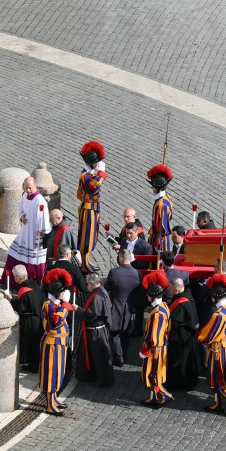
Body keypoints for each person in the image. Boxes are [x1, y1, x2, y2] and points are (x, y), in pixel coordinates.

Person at [199, 274, 226, 414]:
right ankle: (219, 403)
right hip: (223, 345)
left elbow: (207, 335)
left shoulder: (218, 314)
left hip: (217, 349)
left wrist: (199, 337)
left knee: (218, 377)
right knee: (219, 377)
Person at [37, 269, 75, 416]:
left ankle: (54, 398)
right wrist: (65, 304)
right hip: (52, 344)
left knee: (58, 373)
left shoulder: (55, 304)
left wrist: (63, 304)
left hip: (59, 343)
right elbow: (55, 322)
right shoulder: (49, 305)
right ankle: (49, 404)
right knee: (51, 373)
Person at [2, 177, 51, 286]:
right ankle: (8, 281)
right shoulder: (24, 195)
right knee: (13, 253)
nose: (28, 190)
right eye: (26, 187)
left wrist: (42, 234)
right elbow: (20, 207)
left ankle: (36, 286)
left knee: (34, 261)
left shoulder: (40, 201)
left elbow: (43, 217)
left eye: (30, 188)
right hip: (24, 233)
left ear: (35, 185)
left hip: (34, 235)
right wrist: (21, 216)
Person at [139, 270, 173, 405]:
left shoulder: (157, 313)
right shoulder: (164, 306)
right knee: (155, 374)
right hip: (160, 346)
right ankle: (155, 397)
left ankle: (163, 396)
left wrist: (144, 350)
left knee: (153, 375)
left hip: (155, 349)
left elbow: (152, 336)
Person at [76, 273, 114, 386]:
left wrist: (77, 309)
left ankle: (102, 380)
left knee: (98, 357)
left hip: (95, 331)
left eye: (87, 283)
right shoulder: (101, 291)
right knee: (99, 356)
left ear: (92, 284)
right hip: (99, 330)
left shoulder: (97, 297)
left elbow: (90, 315)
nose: (86, 285)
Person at [165, 278, 202, 390]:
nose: (169, 289)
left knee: (178, 360)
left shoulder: (180, 304)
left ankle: (177, 383)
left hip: (181, 338)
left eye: (170, 287)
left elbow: (176, 322)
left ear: (176, 289)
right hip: (188, 336)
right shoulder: (187, 296)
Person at [104, 250, 140, 367]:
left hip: (116, 306)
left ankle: (118, 357)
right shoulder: (138, 273)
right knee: (125, 333)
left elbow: (107, 287)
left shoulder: (114, 272)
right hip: (129, 308)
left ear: (120, 258)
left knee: (114, 333)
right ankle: (124, 356)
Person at [76, 141, 106, 275]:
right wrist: (101, 173)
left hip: (92, 207)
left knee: (92, 235)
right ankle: (84, 262)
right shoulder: (86, 175)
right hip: (88, 209)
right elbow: (93, 187)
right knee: (86, 236)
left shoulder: (89, 173)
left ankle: (87, 260)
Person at [7, 265, 43, 373]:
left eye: (14, 276)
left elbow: (21, 308)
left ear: (18, 277)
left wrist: (11, 300)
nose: (14, 278)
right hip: (39, 318)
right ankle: (34, 365)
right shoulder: (35, 285)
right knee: (35, 343)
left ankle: (30, 365)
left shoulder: (23, 290)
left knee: (28, 342)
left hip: (29, 320)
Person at [146, 164, 174, 252]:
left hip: (159, 240)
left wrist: (159, 244)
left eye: (153, 186)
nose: (152, 188)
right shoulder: (167, 197)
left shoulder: (162, 204)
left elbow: (162, 228)